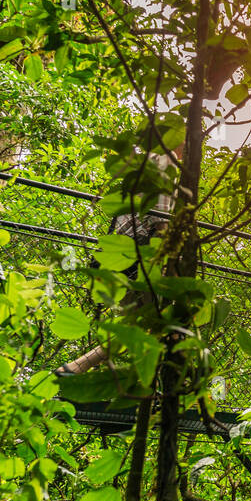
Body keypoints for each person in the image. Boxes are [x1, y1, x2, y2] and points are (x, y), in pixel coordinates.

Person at [56, 144, 179, 377]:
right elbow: (160, 215)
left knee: (135, 327)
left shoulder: (141, 165)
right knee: (158, 325)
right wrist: (170, 261)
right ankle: (128, 381)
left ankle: (79, 369)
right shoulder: (166, 157)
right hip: (141, 258)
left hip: (119, 259)